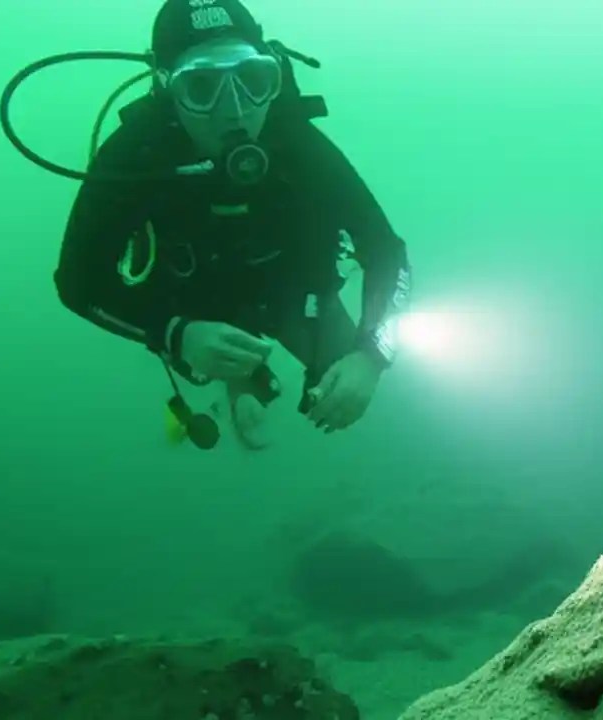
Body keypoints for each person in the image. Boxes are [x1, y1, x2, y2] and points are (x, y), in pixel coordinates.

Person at [51, 0, 412, 449]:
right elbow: (78, 283)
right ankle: (241, 375)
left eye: (253, 80)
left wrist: (373, 355)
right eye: (202, 87)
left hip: (294, 293)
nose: (236, 110)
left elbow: (386, 251)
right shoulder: (135, 156)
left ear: (273, 77)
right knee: (215, 350)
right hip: (194, 306)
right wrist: (175, 333)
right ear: (167, 88)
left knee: (345, 374)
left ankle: (248, 373)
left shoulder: (297, 143)